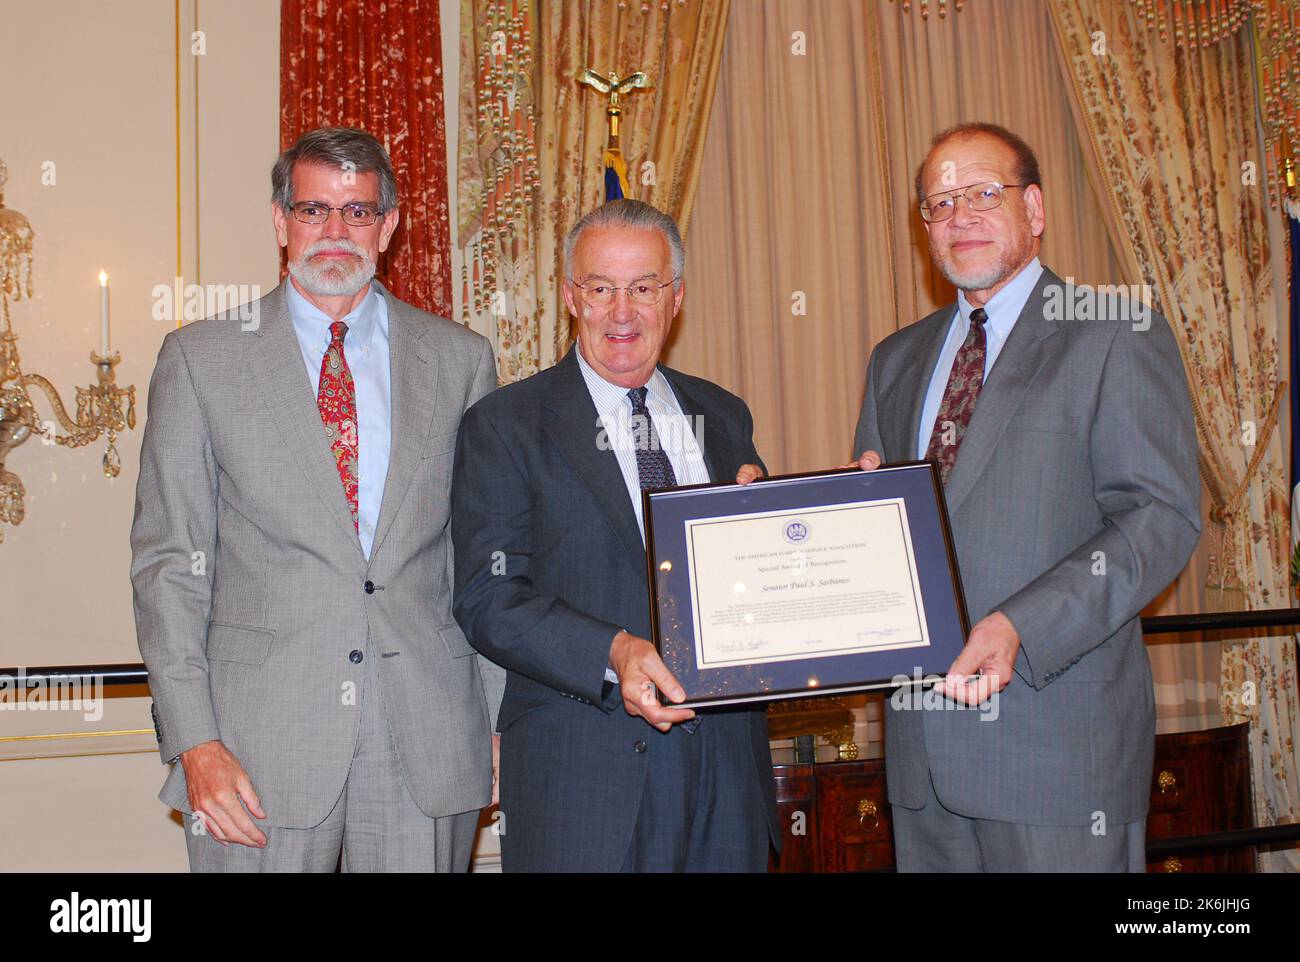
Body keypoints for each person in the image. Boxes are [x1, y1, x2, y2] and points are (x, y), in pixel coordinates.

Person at [130, 126, 503, 872]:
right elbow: (169, 566)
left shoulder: (461, 361)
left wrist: (497, 721)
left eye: (358, 212)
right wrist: (194, 741)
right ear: (280, 222)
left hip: (426, 739)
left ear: (389, 226)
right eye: (313, 210)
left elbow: (482, 559)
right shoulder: (200, 359)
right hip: (256, 749)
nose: (336, 232)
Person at [852, 122, 1201, 871]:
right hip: (923, 768)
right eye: (939, 204)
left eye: (983, 193)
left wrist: (1022, 624)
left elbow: (1160, 516)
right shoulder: (895, 360)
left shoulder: (1114, 331)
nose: (960, 216)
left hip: (1059, 759)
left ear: (1035, 210)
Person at [451, 198, 780, 872]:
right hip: (585, 778)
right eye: (601, 288)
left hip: (726, 780)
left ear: (676, 296)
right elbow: (488, 596)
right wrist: (615, 651)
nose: (622, 311)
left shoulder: (722, 415)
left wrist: (776, 538)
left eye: (643, 288)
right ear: (573, 296)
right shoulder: (507, 425)